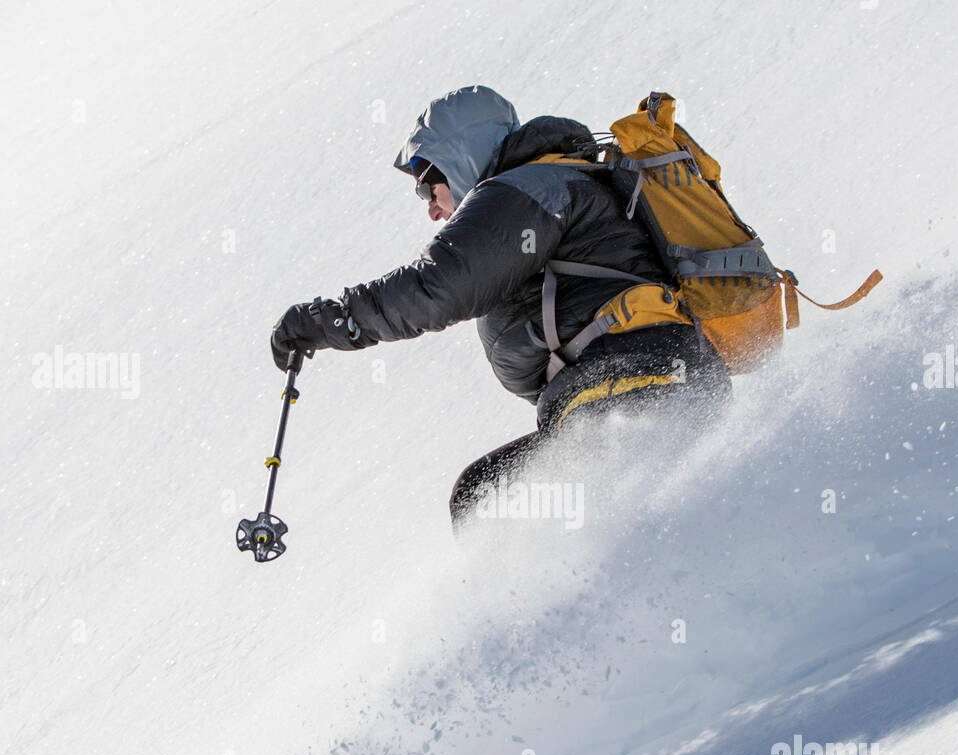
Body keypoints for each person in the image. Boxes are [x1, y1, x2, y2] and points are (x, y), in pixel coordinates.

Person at [270, 85, 731, 528]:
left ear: (460, 156)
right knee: (485, 496)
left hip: (631, 380)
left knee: (487, 502)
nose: (431, 208)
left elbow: (441, 286)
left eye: (429, 187)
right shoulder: (560, 181)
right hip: (663, 376)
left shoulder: (526, 189)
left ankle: (560, 603)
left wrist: (333, 320)